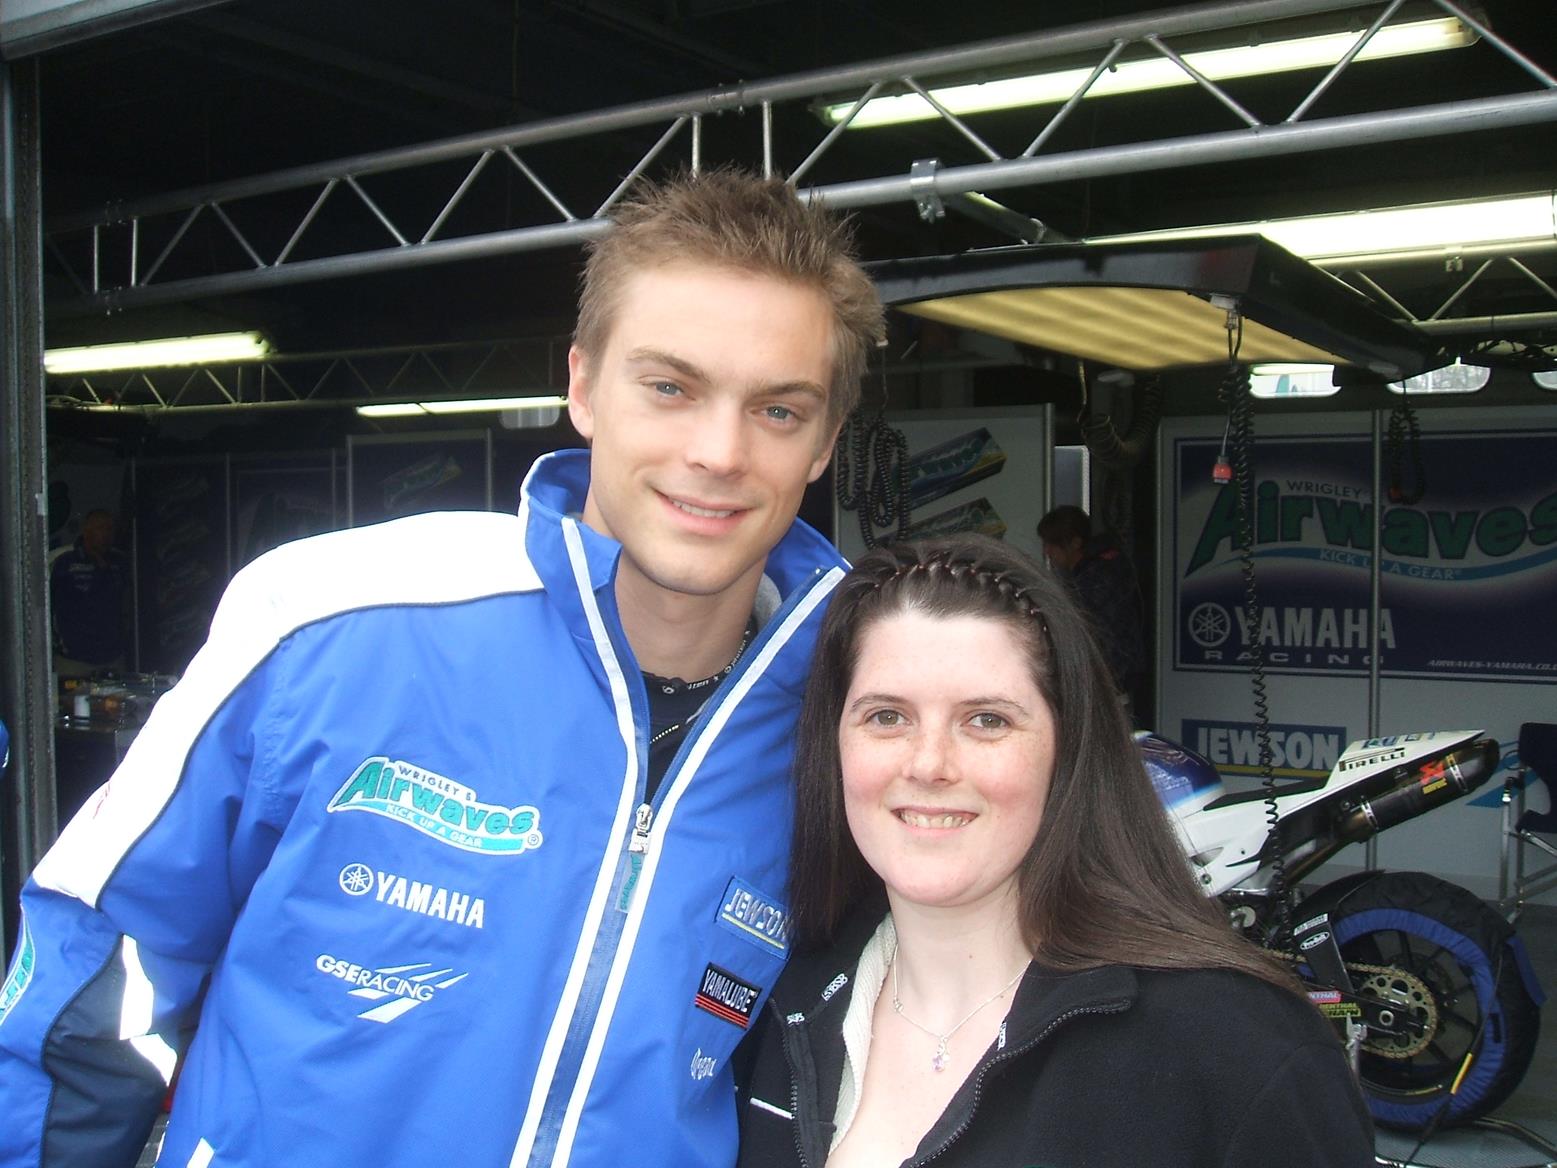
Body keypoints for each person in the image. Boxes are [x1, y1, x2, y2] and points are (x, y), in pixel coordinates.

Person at [0, 169, 884, 1168]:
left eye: (778, 410)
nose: (719, 450)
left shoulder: (856, 724)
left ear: (824, 445)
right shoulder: (337, 621)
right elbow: (96, 985)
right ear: (584, 386)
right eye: (670, 386)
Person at [737, 536, 1376, 1168]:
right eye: (886, 716)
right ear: (835, 743)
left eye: (986, 719)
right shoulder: (776, 998)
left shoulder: (1240, 1052)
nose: (928, 763)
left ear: (1067, 753)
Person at [1037, 504, 1145, 700]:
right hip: (1120, 675)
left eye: (1052, 544)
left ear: (1075, 543)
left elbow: (1096, 637)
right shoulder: (1108, 565)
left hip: (1110, 679)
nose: (1047, 551)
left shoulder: (1095, 579)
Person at [49, 508, 130, 677]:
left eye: (110, 529)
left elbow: (127, 604)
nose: (107, 534)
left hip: (112, 657)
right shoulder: (65, 562)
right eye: (101, 528)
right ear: (87, 531)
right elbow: (47, 605)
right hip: (74, 660)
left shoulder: (120, 562)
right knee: (74, 703)